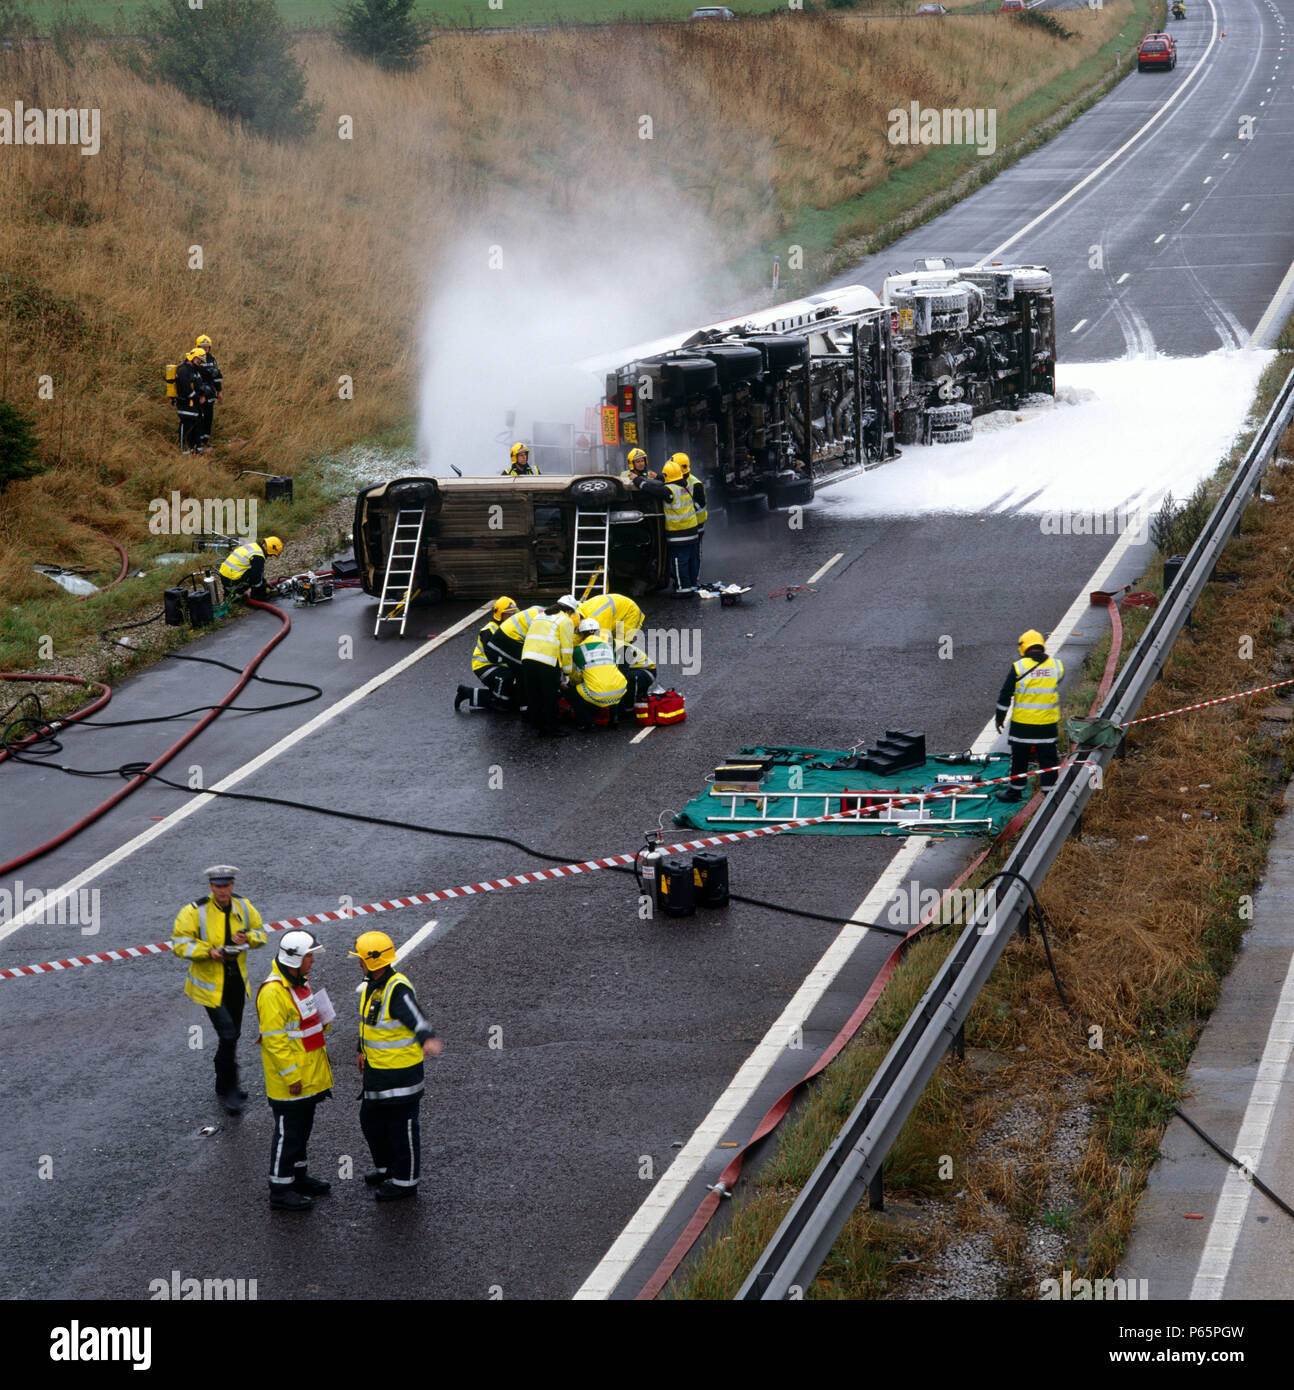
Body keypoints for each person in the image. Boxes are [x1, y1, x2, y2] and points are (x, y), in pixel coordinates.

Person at [350, 931, 443, 1202]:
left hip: (401, 1076)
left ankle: (406, 1182)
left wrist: (426, 1038)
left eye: (360, 959)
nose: (358, 963)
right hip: (378, 1074)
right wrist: (360, 1049)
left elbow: (417, 1017)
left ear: (370, 962)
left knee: (403, 1129)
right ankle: (386, 1168)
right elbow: (370, 1022)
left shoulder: (396, 988)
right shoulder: (373, 985)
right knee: (371, 1121)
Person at [171, 865, 267, 1115]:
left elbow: (261, 935)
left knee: (232, 1034)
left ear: (232, 885)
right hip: (210, 987)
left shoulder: (243, 906)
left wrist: (248, 938)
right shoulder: (194, 911)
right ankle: (232, 1088)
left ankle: (222, 1082)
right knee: (228, 1035)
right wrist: (208, 952)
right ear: (211, 887)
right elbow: (180, 944)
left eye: (227, 885)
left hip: (235, 981)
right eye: (218, 886)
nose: (223, 891)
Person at [256, 929, 333, 1211]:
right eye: (310, 956)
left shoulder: (299, 982)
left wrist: (323, 1020)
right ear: (296, 959)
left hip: (308, 1075)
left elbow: (303, 1024)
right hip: (293, 1080)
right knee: (288, 1134)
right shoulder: (273, 992)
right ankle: (280, 1188)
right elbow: (275, 1042)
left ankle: (298, 1176)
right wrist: (292, 1076)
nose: (313, 961)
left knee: (301, 1130)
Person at [994, 628, 1065, 802]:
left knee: (1019, 760)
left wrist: (999, 718)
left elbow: (1005, 695)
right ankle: (1050, 794)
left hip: (1022, 726)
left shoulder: (1018, 667)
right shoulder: (1056, 666)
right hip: (1047, 726)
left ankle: (1014, 792)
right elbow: (1057, 681)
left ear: (1023, 648)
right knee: (1048, 760)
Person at [520, 595, 579, 737]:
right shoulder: (565, 621)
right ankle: (553, 729)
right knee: (550, 697)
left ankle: (537, 727)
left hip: (527, 659)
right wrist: (567, 672)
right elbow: (566, 649)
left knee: (534, 695)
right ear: (570, 611)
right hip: (547, 661)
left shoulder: (539, 616)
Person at [638, 460, 700, 594]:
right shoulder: (686, 486)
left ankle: (683, 589)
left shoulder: (669, 491)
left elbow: (651, 489)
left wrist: (638, 480)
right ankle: (692, 585)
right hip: (692, 532)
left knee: (679, 562)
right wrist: (658, 477)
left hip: (679, 534)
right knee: (691, 560)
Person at [456, 596, 520, 712]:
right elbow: (493, 655)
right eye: (508, 614)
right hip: (484, 666)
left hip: (497, 666)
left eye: (513, 613)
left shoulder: (510, 628)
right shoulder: (490, 630)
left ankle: (467, 693)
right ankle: (498, 703)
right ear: (499, 614)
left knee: (513, 696)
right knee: (506, 677)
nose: (512, 617)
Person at [570, 618, 629, 728]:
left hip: (598, 694)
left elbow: (575, 676)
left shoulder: (579, 650)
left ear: (581, 634)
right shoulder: (608, 646)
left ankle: (586, 723)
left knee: (573, 691)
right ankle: (614, 718)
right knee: (610, 685)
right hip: (620, 689)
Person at [218, 535, 282, 602]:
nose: (270, 556)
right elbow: (256, 578)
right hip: (233, 579)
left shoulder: (254, 546)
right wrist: (262, 592)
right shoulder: (258, 556)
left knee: (255, 572)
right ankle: (254, 595)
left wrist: (264, 582)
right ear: (271, 548)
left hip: (224, 575)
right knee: (255, 576)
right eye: (272, 554)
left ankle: (229, 596)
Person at [674, 453, 708, 564]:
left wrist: (686, 512)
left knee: (695, 555)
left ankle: (694, 580)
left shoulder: (695, 483)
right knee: (687, 557)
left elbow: (701, 504)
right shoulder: (677, 480)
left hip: (697, 526)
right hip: (685, 527)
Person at [576, 592, 644, 646]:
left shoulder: (597, 619)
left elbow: (603, 641)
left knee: (621, 646)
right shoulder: (579, 610)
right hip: (619, 610)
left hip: (630, 613)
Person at [615, 635, 657, 715]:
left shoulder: (623, 649)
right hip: (635, 669)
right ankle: (638, 696)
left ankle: (629, 708)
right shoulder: (610, 646)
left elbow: (621, 674)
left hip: (647, 672)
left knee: (626, 679)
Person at [193, 334, 222, 450]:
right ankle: (197, 442)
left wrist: (219, 391)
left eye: (207, 347)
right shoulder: (194, 357)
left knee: (209, 416)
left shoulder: (212, 359)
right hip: (199, 393)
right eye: (202, 346)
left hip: (210, 392)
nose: (205, 349)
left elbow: (217, 376)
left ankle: (205, 440)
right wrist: (208, 371)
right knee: (199, 416)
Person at [174, 349, 205, 454]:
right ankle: (184, 450)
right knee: (186, 426)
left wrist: (204, 394)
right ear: (192, 357)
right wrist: (197, 398)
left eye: (201, 361)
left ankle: (193, 450)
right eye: (198, 360)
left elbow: (199, 385)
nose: (199, 362)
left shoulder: (195, 370)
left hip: (194, 406)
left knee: (194, 427)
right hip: (185, 404)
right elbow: (186, 388)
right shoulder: (183, 370)